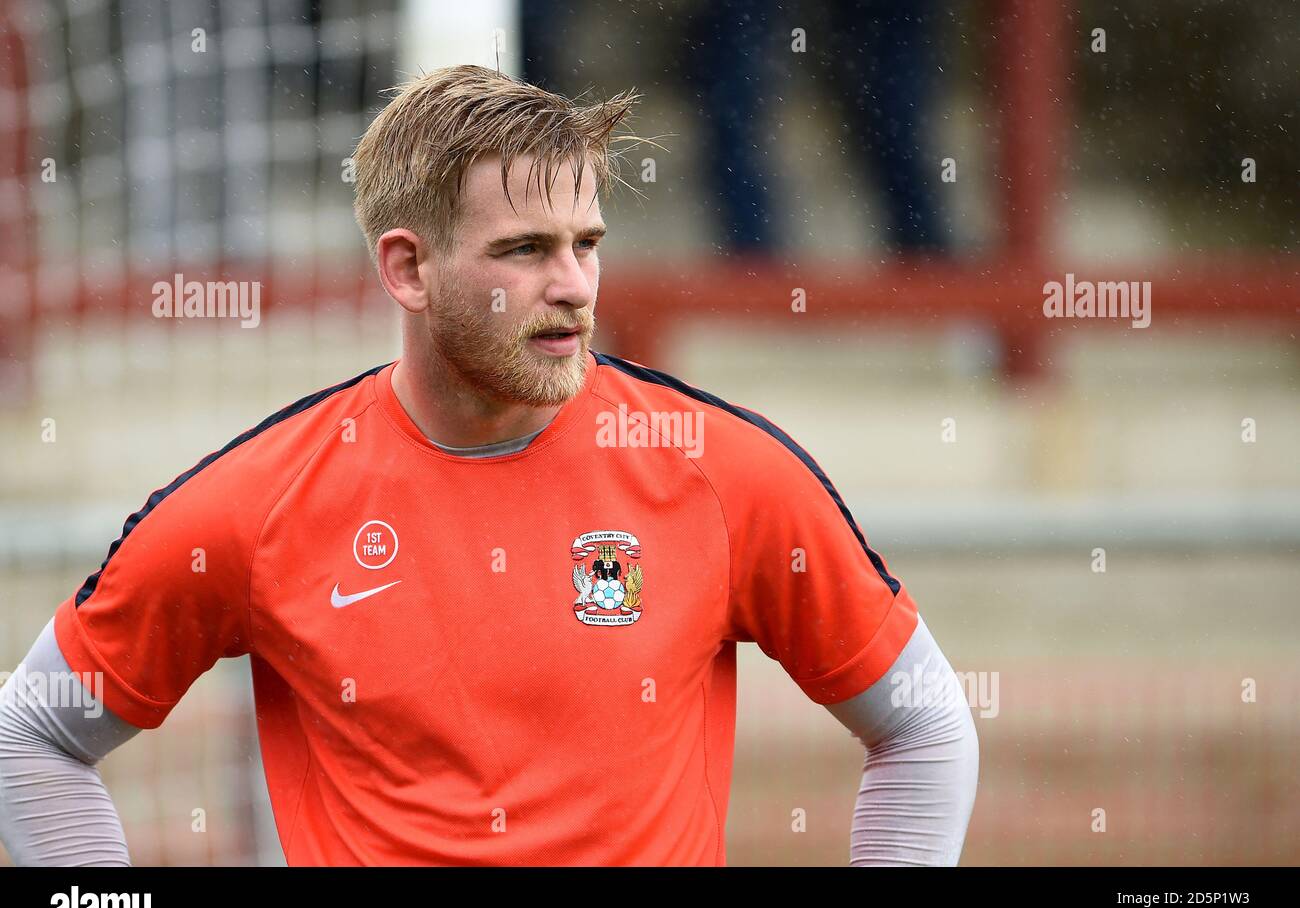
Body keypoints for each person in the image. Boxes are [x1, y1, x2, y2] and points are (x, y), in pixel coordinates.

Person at [0, 64, 976, 866]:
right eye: (523, 250)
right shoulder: (258, 503)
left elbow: (926, 723)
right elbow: (31, 734)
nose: (572, 285)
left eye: (585, 244)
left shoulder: (717, 469)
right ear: (407, 268)